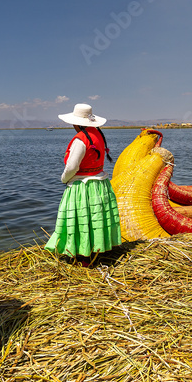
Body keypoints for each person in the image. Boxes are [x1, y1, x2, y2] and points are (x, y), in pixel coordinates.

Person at [44, 103, 122, 265]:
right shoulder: (98, 134)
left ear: (76, 123)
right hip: (100, 184)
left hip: (83, 187)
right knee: (94, 219)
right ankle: (97, 250)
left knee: (80, 220)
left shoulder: (80, 140)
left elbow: (72, 167)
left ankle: (81, 255)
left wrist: (64, 179)